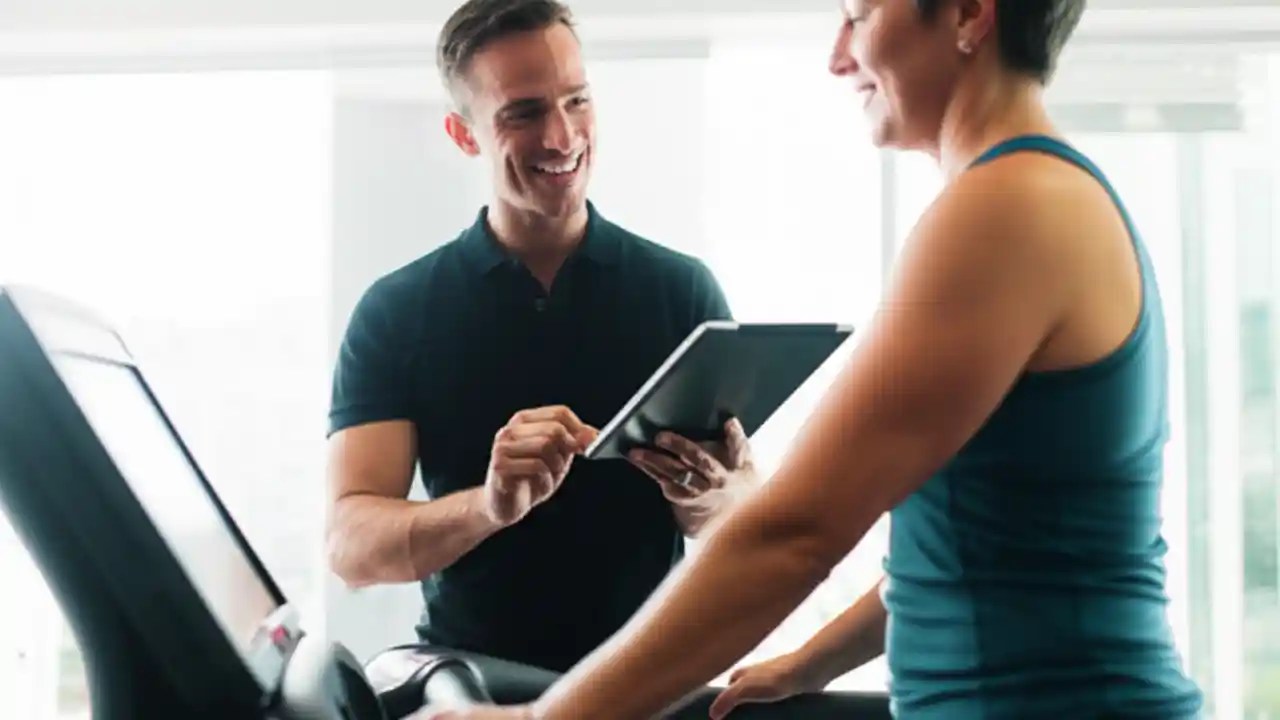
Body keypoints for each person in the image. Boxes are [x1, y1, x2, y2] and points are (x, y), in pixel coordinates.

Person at [420, 0, 1207, 718]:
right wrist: (812, 662)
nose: (838, 56)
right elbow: (980, 549)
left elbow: (794, 530)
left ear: (968, 13)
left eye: (858, 16)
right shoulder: (1036, 195)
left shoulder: (1006, 211)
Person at [324, 0, 758, 676]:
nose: (561, 137)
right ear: (465, 134)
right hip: (476, 687)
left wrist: (706, 496)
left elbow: (739, 512)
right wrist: (490, 507)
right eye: (523, 113)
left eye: (577, 101)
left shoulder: (683, 292)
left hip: (649, 686)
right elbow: (351, 546)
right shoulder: (395, 311)